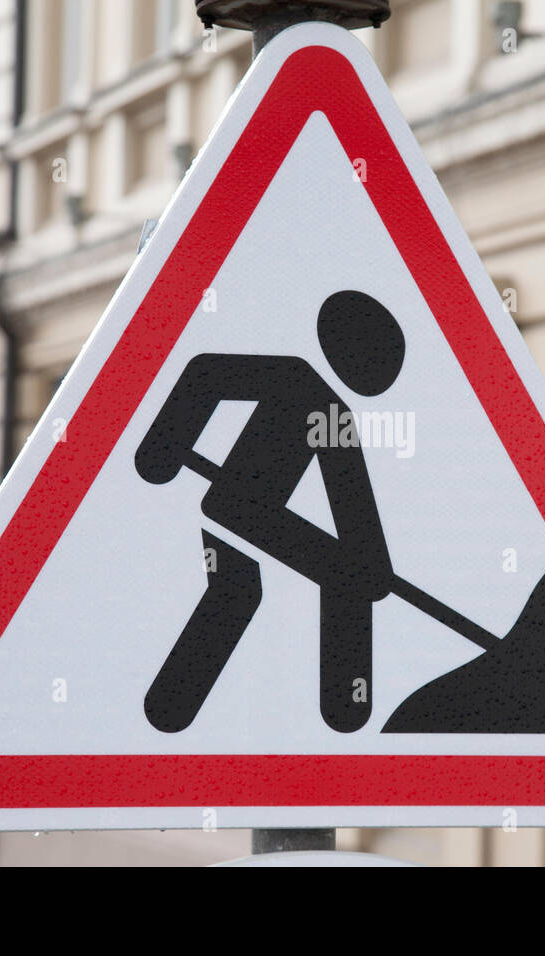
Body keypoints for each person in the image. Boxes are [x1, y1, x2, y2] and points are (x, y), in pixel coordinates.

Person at [136, 290, 405, 733]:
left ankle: (346, 702)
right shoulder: (297, 380)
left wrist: (373, 566)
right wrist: (162, 450)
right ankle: (170, 710)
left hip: (254, 516)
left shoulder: (334, 416)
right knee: (244, 590)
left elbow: (353, 508)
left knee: (331, 578)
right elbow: (204, 377)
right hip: (234, 506)